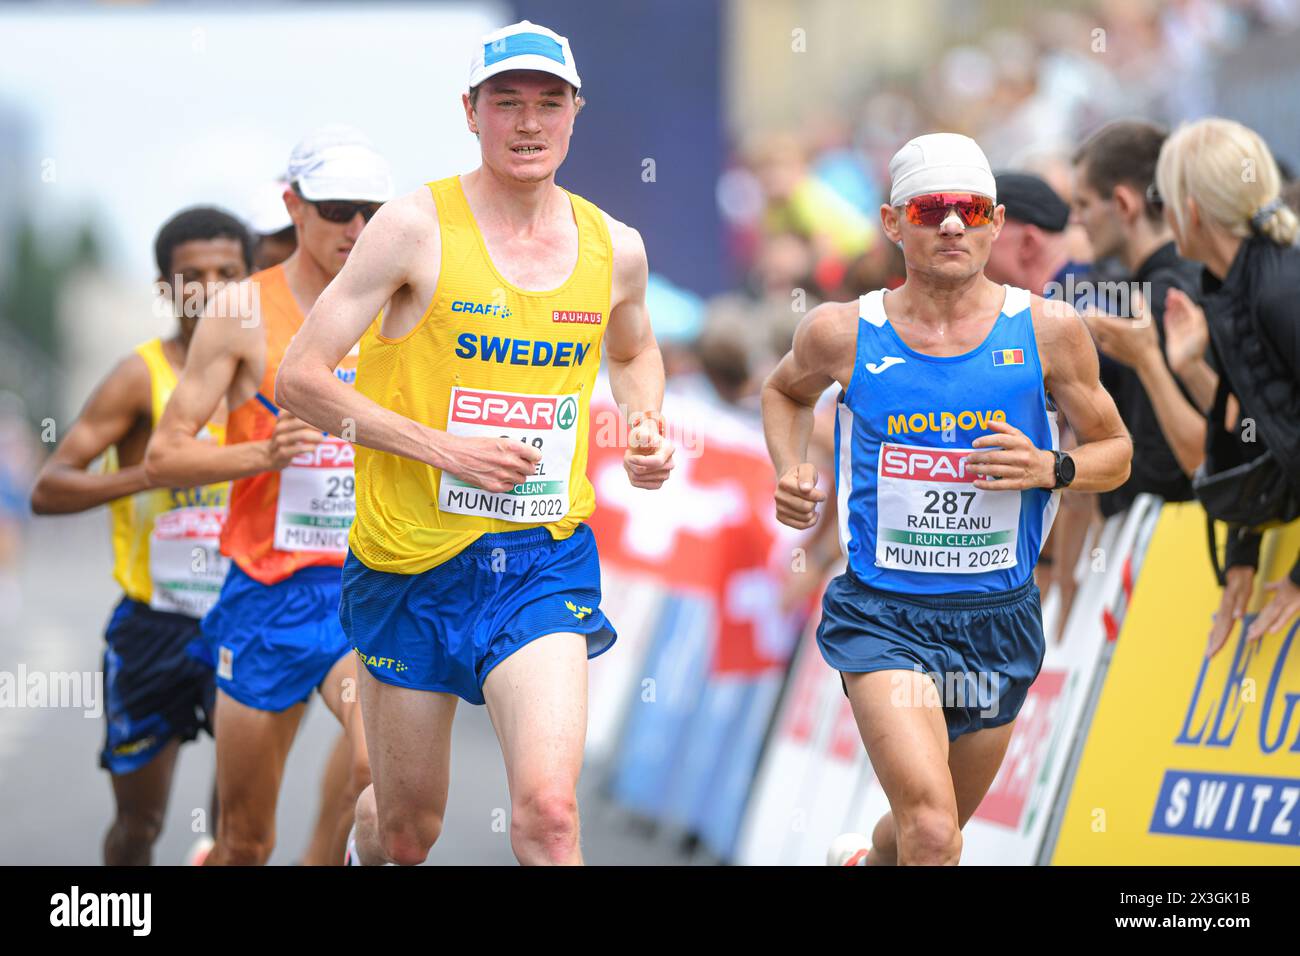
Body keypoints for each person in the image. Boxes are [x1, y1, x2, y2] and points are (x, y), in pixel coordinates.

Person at [276, 19, 674, 866]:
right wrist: (445, 450)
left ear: (576, 114)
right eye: (507, 104)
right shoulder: (412, 227)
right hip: (408, 563)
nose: (528, 123)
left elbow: (635, 349)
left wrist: (644, 422)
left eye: (547, 104)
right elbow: (301, 379)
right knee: (406, 829)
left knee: (548, 815)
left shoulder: (617, 249)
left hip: (540, 556)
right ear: (471, 113)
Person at [761, 133, 1131, 865]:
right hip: (884, 617)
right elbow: (782, 392)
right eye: (932, 210)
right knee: (932, 833)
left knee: (922, 835)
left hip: (997, 618)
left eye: (969, 210)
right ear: (895, 223)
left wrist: (1050, 467)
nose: (953, 226)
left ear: (994, 221)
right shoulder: (842, 331)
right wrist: (792, 468)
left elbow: (1115, 454)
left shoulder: (1050, 331)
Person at [145, 127, 394, 865]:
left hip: (365, 584)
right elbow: (166, 454)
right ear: (296, 206)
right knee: (246, 841)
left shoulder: (403, 307)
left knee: (374, 772)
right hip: (265, 589)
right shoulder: (241, 313)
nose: (357, 228)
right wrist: (263, 452)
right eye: (339, 209)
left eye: (373, 213)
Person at [30, 207, 252, 865]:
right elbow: (49, 488)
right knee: (139, 825)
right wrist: (148, 474)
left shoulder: (272, 377)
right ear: (164, 287)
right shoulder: (140, 376)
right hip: (152, 626)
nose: (208, 289)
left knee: (237, 827)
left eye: (227, 273)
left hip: (244, 619)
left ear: (252, 281)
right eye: (191, 276)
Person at [1153, 117, 1300, 657]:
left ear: (1189, 211)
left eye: (1165, 201)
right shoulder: (1231, 291)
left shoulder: (1282, 290)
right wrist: (1243, 549)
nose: (1164, 218)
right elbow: (1259, 429)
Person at [1070, 120, 1205, 505]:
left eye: (1083, 204)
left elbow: (1165, 464)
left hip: (1177, 533)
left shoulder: (1160, 301)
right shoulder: (1182, 280)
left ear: (1125, 204)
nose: (1076, 220)